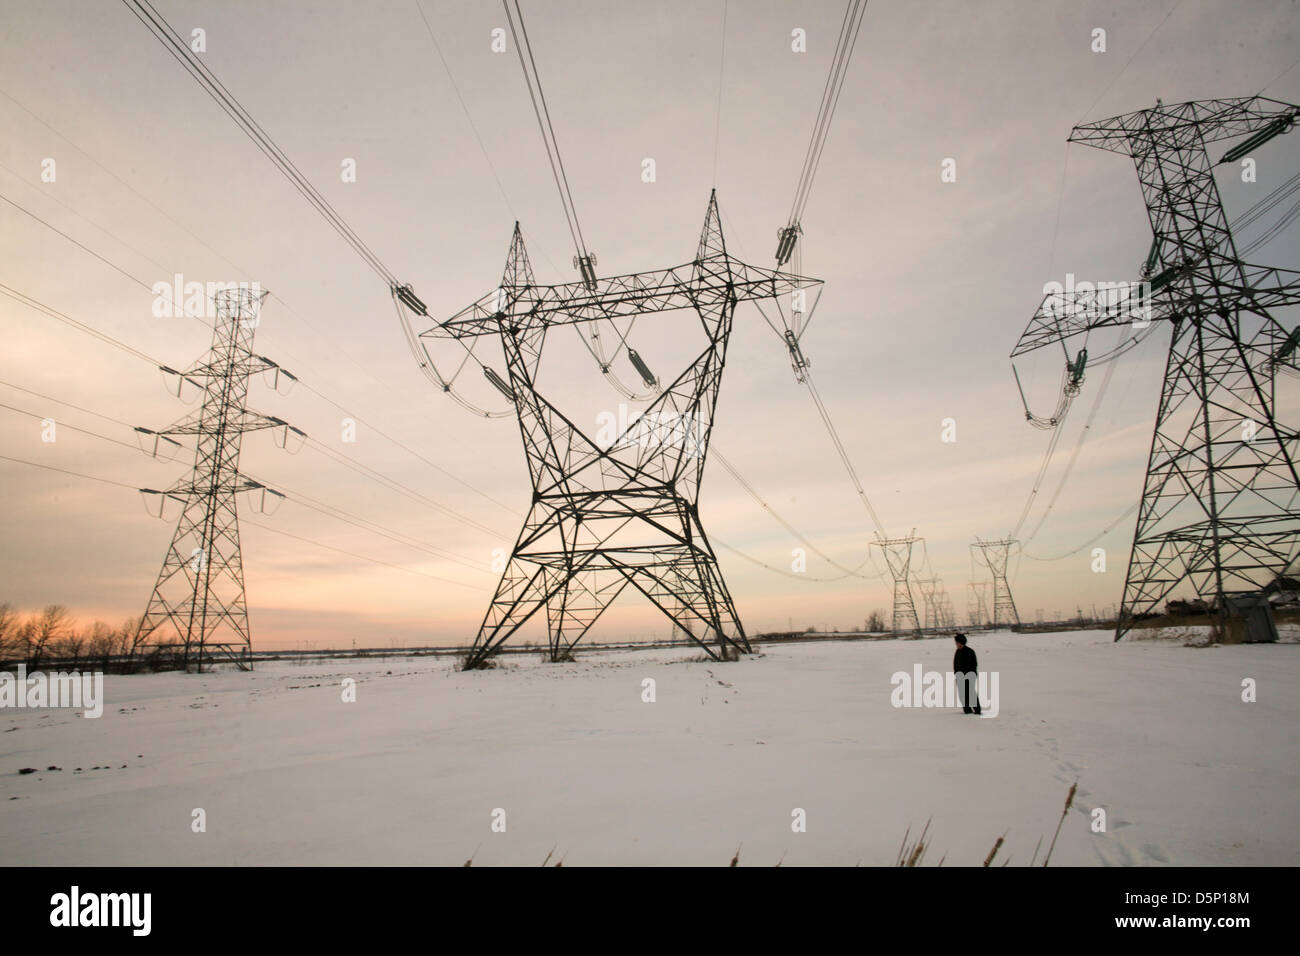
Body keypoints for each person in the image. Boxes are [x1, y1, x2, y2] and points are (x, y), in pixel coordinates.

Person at [953, 633, 980, 715]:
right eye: (956, 643)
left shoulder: (969, 651)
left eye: (958, 643)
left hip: (969, 676)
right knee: (962, 694)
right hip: (960, 676)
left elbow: (973, 665)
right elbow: (956, 664)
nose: (957, 645)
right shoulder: (957, 652)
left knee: (970, 692)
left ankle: (977, 710)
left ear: (962, 642)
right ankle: (967, 710)